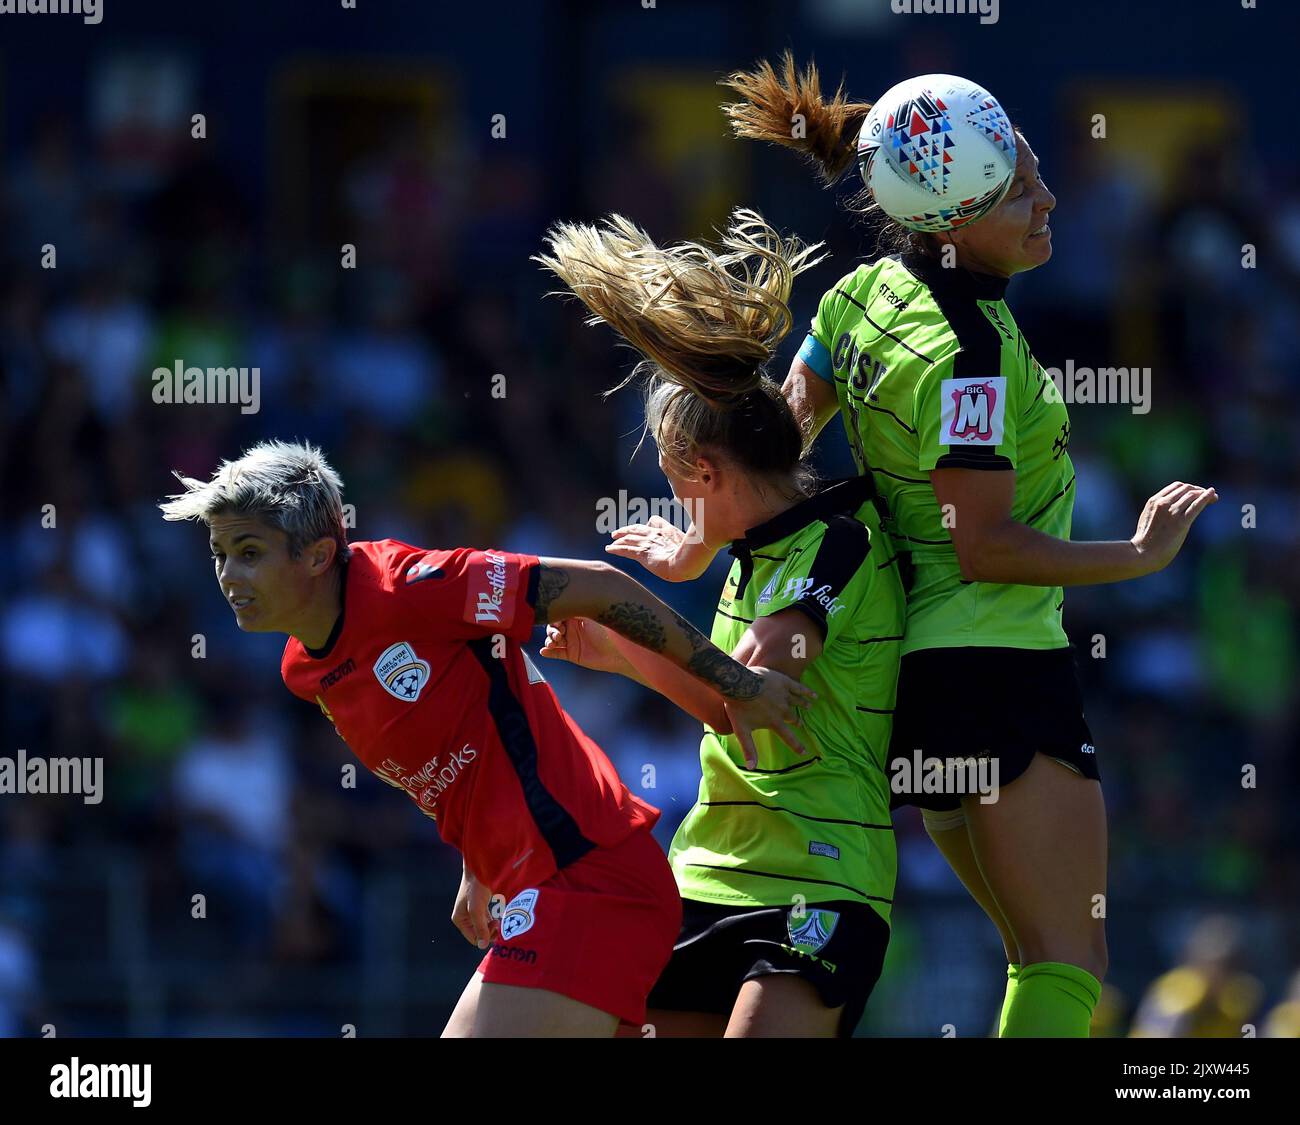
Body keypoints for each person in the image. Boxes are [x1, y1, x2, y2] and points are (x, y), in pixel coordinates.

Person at [618, 55, 1219, 1037]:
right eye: (1016, 187)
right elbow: (980, 546)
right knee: (1068, 954)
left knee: (1036, 948)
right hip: (999, 665)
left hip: (920, 680)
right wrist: (1135, 555)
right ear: (948, 218)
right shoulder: (969, 350)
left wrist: (701, 541)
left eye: (1030, 171)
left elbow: (781, 443)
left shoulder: (858, 296)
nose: (1045, 199)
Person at [158, 439, 813, 1037]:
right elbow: (483, 692)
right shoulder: (304, 671)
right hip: (545, 887)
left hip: (589, 878)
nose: (228, 576)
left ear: (319, 554)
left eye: (248, 553)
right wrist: (480, 862)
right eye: (219, 555)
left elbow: (603, 588)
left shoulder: (412, 587)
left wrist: (738, 683)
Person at [536, 208, 906, 1036]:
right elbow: (726, 700)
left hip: (822, 872)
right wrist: (622, 651)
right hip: (704, 869)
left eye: (674, 480)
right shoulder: (750, 556)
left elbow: (751, 684)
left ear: (704, 470)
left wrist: (624, 620)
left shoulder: (838, 544)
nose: (675, 505)